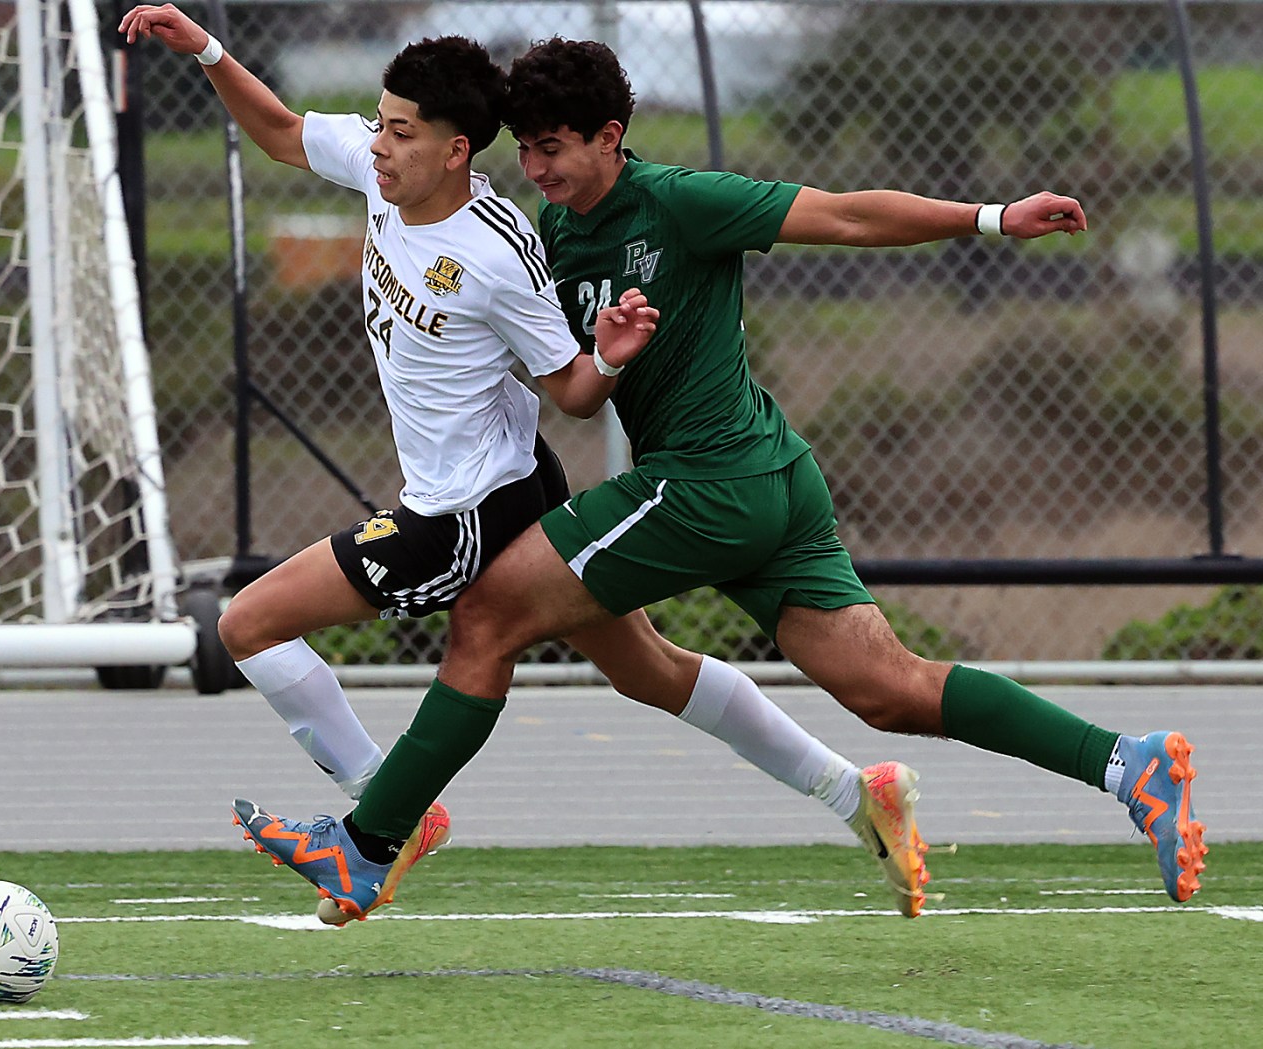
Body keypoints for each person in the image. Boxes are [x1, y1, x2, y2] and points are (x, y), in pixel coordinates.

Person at [280, 36, 1208, 918]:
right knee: (888, 688)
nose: (538, 167)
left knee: (488, 614)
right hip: (766, 479)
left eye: (555, 147)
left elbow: (843, 213)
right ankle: (1128, 765)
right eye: (524, 148)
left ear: (611, 138)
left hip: (705, 483)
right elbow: (548, 366)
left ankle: (368, 841)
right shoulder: (548, 231)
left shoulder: (680, 200)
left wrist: (991, 218)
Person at [117, 9, 936, 923]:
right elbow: (276, 130)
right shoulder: (379, 169)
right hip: (499, 485)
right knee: (649, 670)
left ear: (457, 148)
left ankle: (383, 816)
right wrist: (208, 52)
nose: (377, 146)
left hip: (465, 511)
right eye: (378, 125)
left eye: (400, 132)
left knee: (248, 623)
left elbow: (576, 389)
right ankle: (856, 794)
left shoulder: (501, 253)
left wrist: (615, 352)